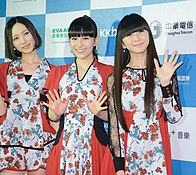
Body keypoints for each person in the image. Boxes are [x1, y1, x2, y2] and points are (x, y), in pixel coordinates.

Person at [0, 16, 56, 175]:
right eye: (16, 38)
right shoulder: (4, 69)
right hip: (11, 139)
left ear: (34, 33)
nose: (23, 41)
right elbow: (0, 112)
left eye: (26, 33)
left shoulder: (53, 71)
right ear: (11, 43)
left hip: (41, 140)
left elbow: (54, 114)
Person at [107, 13, 183, 175]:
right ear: (122, 43)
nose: (136, 38)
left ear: (149, 33)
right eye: (129, 34)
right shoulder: (116, 78)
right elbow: (115, 124)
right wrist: (119, 167)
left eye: (140, 31)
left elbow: (174, 117)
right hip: (130, 156)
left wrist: (165, 85)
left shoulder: (163, 72)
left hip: (158, 155)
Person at [42, 15, 115, 175]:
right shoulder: (58, 72)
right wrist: (56, 112)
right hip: (64, 147)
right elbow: (52, 117)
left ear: (96, 41)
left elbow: (115, 117)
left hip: (96, 146)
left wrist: (100, 113)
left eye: (86, 38)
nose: (79, 44)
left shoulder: (109, 72)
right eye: (74, 38)